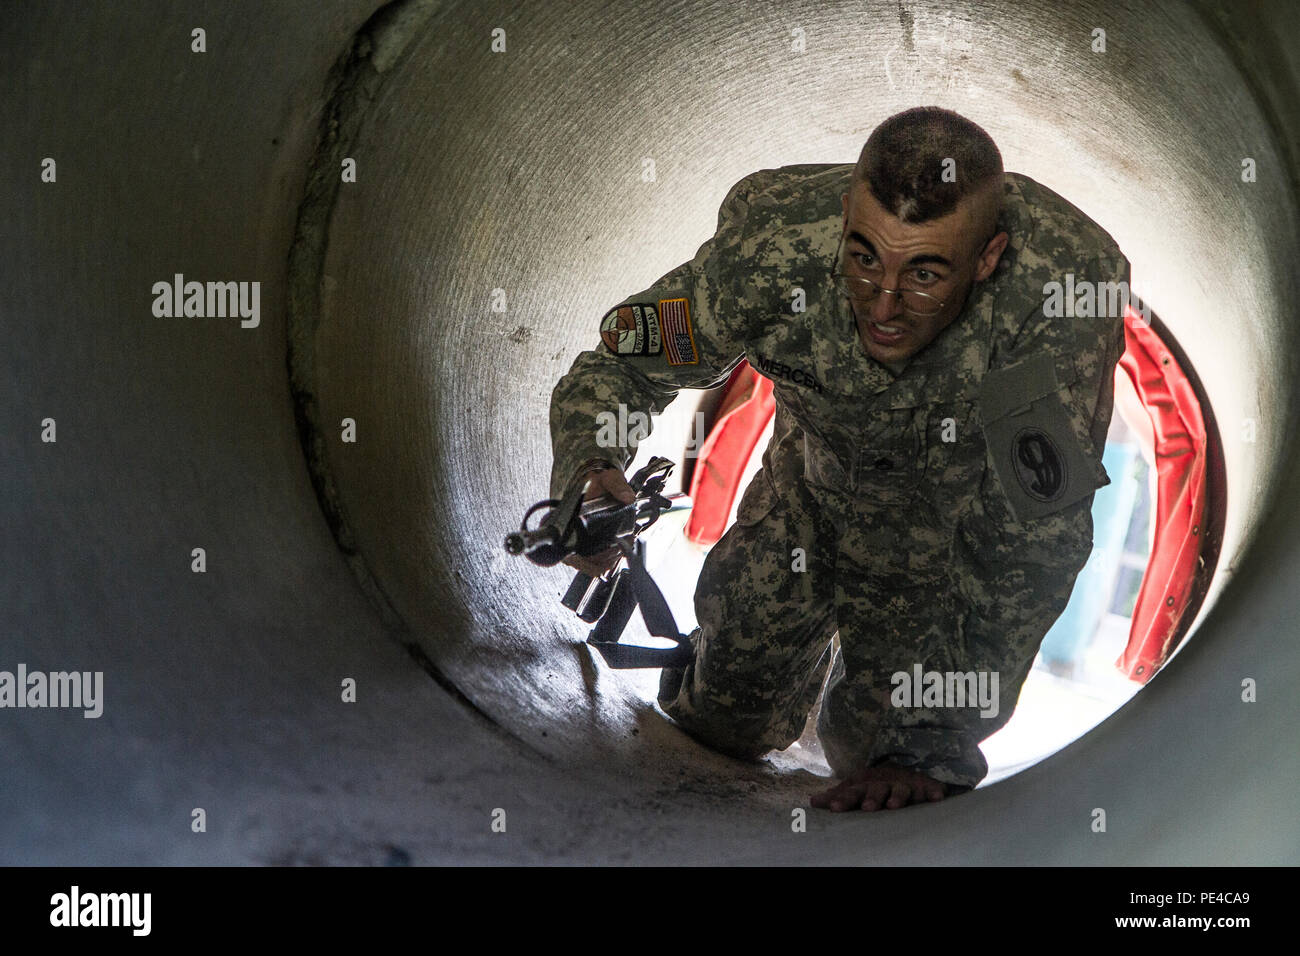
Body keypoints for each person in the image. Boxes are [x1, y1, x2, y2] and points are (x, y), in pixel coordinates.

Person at [548, 106, 1130, 812]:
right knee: (724, 718)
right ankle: (769, 659)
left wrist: (937, 741)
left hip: (943, 528)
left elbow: (1030, 541)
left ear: (987, 257)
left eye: (924, 273)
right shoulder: (775, 248)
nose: (883, 305)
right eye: (863, 258)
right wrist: (590, 470)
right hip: (812, 484)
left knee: (878, 754)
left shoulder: (1054, 299)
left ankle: (873, 706)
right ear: (846, 213)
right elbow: (623, 367)